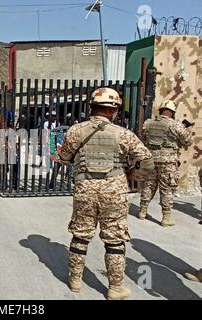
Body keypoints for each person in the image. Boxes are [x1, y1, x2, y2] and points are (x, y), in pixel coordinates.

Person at [59, 87, 154, 300]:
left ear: (91, 107)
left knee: (81, 235)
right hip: (115, 191)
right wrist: (134, 176)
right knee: (114, 240)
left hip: (85, 190)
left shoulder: (76, 131)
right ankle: (115, 288)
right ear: (114, 110)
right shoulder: (124, 134)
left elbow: (65, 158)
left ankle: (75, 281)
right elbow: (147, 161)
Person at [138, 100, 193, 226]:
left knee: (149, 184)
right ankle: (166, 218)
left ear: (160, 110)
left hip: (151, 159)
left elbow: (143, 137)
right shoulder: (176, 125)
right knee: (167, 188)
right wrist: (185, 129)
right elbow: (188, 142)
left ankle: (142, 211)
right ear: (173, 113)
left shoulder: (148, 123)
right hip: (168, 161)